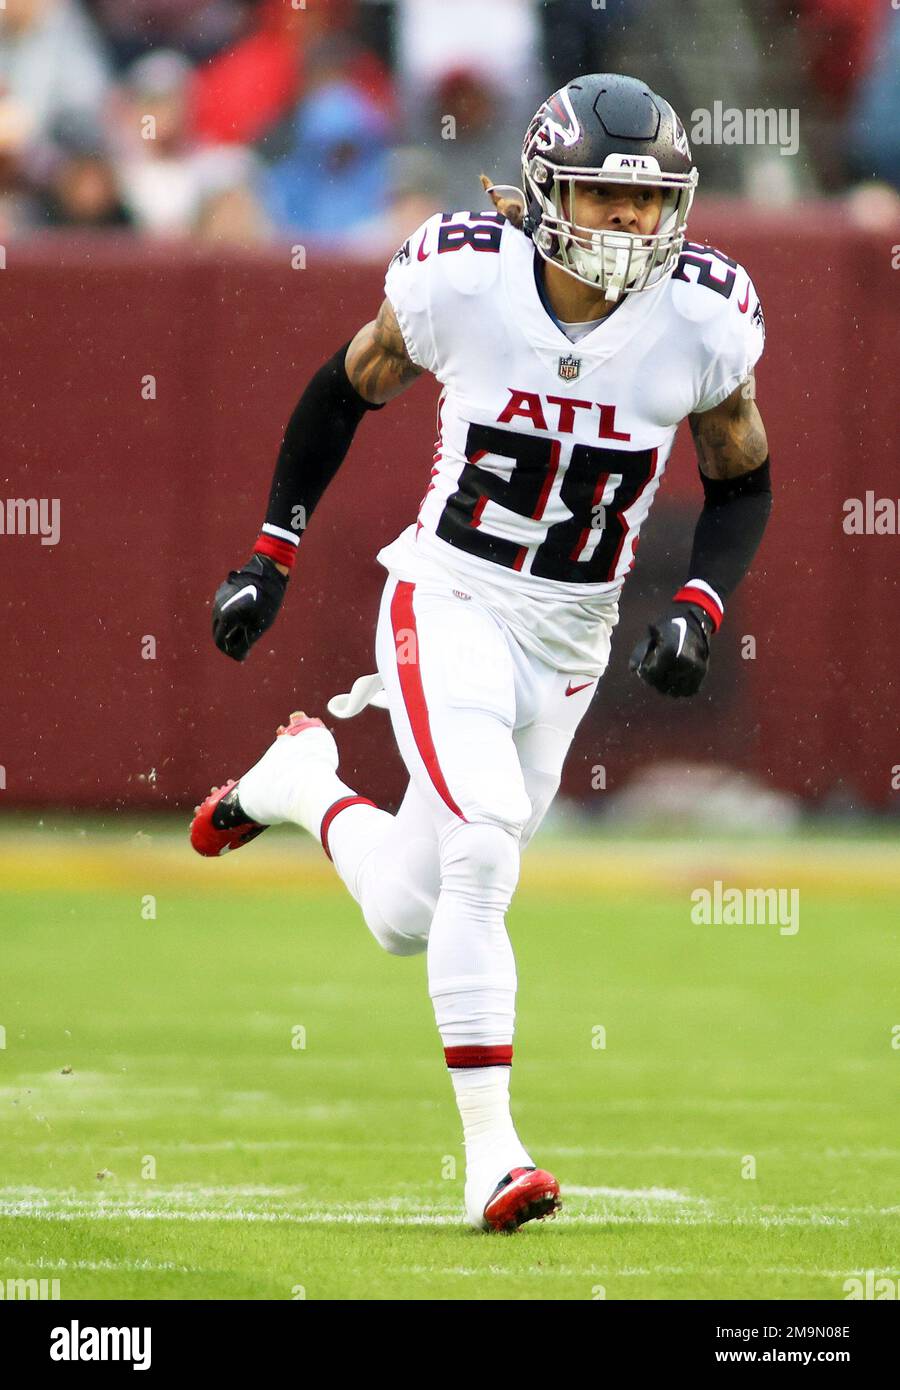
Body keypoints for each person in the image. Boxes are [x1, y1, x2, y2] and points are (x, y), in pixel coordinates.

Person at [191, 74, 772, 1233]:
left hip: (571, 636)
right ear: (550, 191)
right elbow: (345, 387)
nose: (628, 223)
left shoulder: (703, 317)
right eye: (605, 197)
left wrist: (701, 600)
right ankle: (493, 1157)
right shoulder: (464, 279)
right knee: (484, 857)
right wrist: (273, 547)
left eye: (647, 201)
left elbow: (740, 473)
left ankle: (302, 783)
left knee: (411, 909)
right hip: (447, 596)